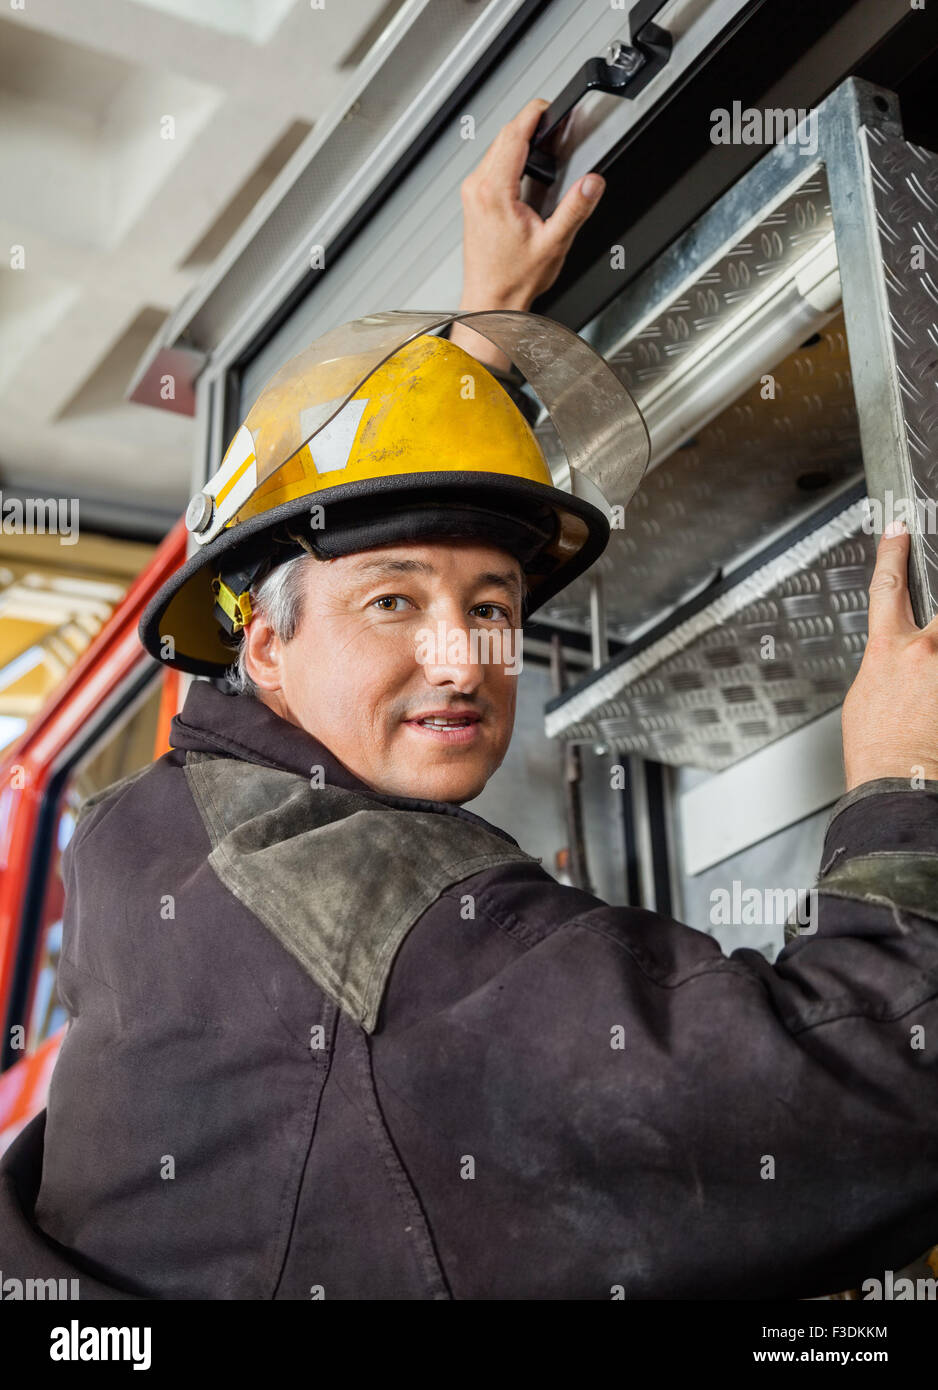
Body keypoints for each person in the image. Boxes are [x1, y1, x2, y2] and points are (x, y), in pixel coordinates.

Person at [2, 102, 938, 1303]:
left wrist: (462, 365)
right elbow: (881, 1089)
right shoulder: (391, 932)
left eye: (490, 604)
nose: (460, 659)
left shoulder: (157, 834)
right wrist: (903, 790)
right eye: (392, 604)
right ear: (267, 649)